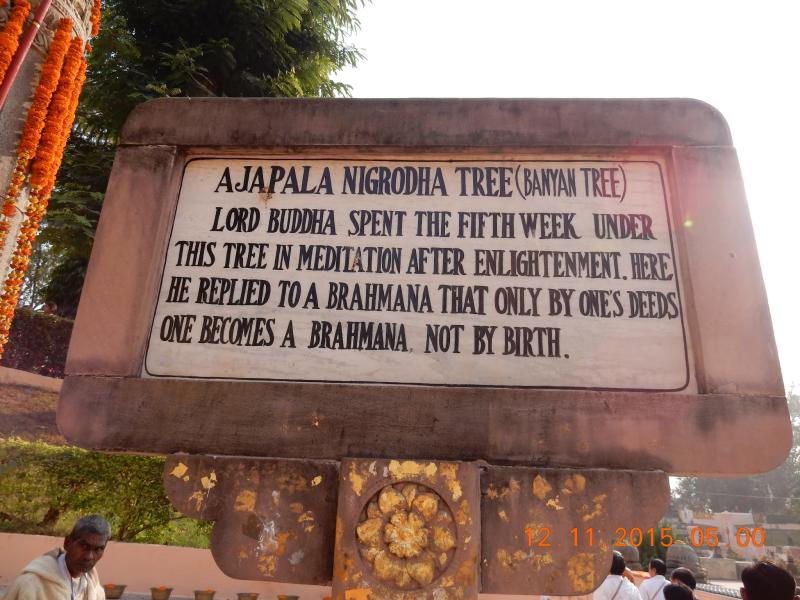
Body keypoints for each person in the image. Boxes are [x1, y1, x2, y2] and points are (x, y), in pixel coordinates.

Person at [3, 515, 110, 600]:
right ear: (67, 543)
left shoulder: (94, 589)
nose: (89, 556)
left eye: (98, 549)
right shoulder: (29, 584)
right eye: (84, 546)